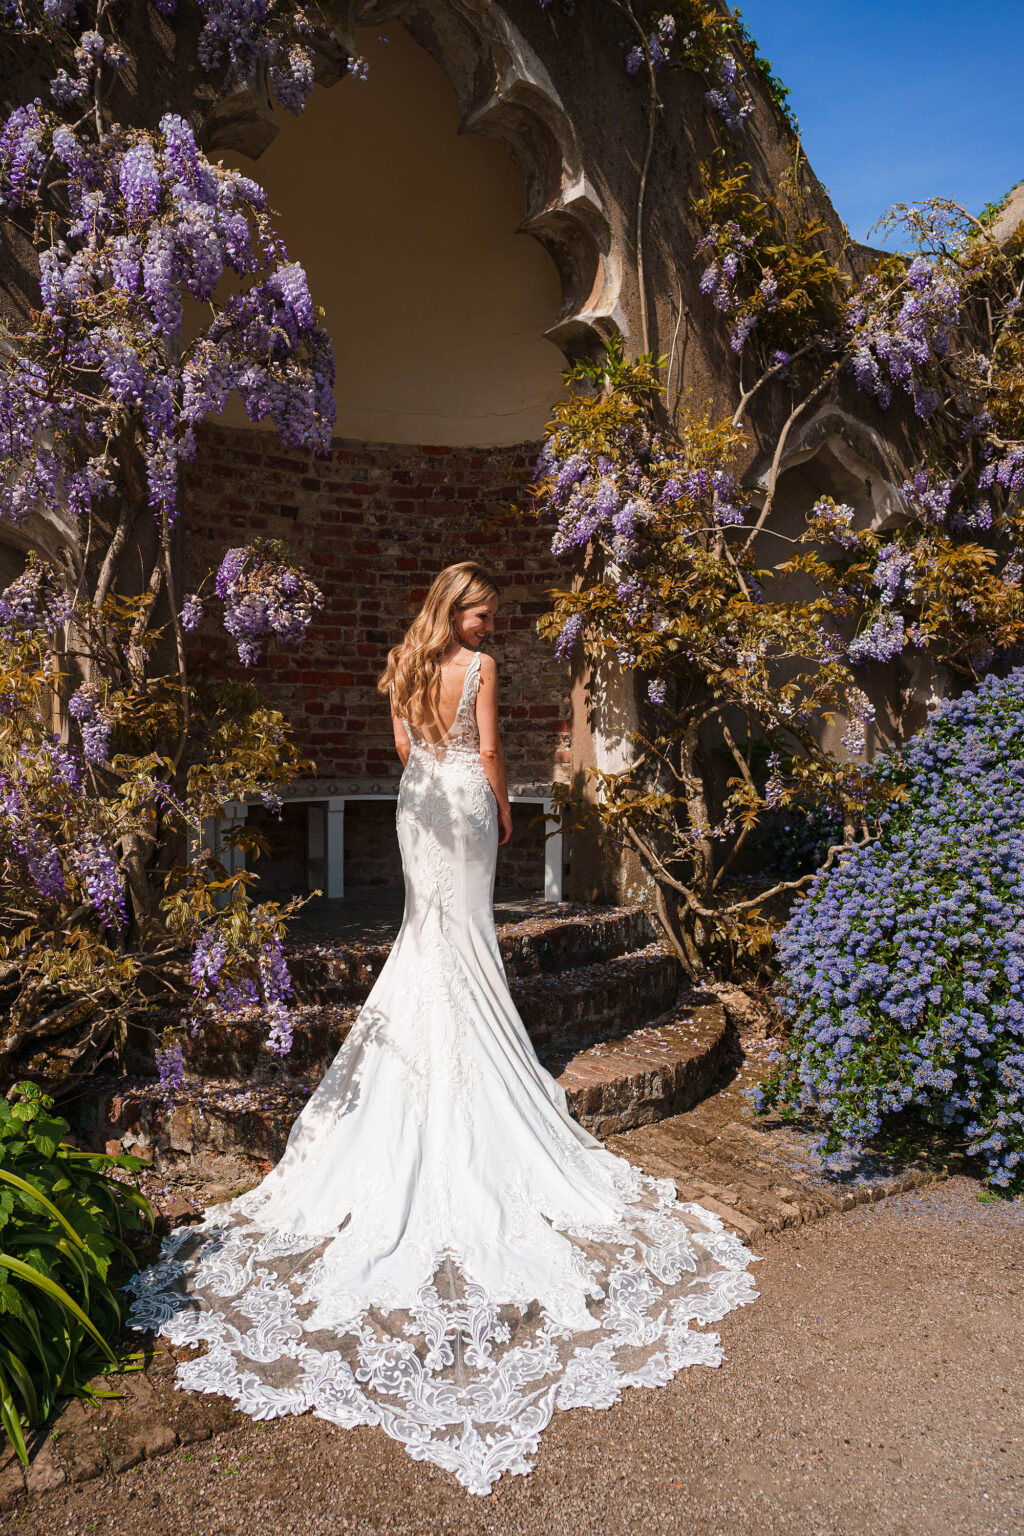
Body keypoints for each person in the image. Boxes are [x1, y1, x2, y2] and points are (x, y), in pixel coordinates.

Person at [127, 560, 758, 1496]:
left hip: (418, 799)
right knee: (458, 933)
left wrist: (439, 768)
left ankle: (433, 1045)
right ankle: (467, 1051)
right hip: (460, 800)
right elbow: (492, 749)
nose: (488, 626)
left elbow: (400, 745)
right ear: (454, 610)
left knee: (429, 932)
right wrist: (500, 808)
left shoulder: (403, 662)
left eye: (489, 617)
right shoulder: (481, 669)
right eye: (480, 613)